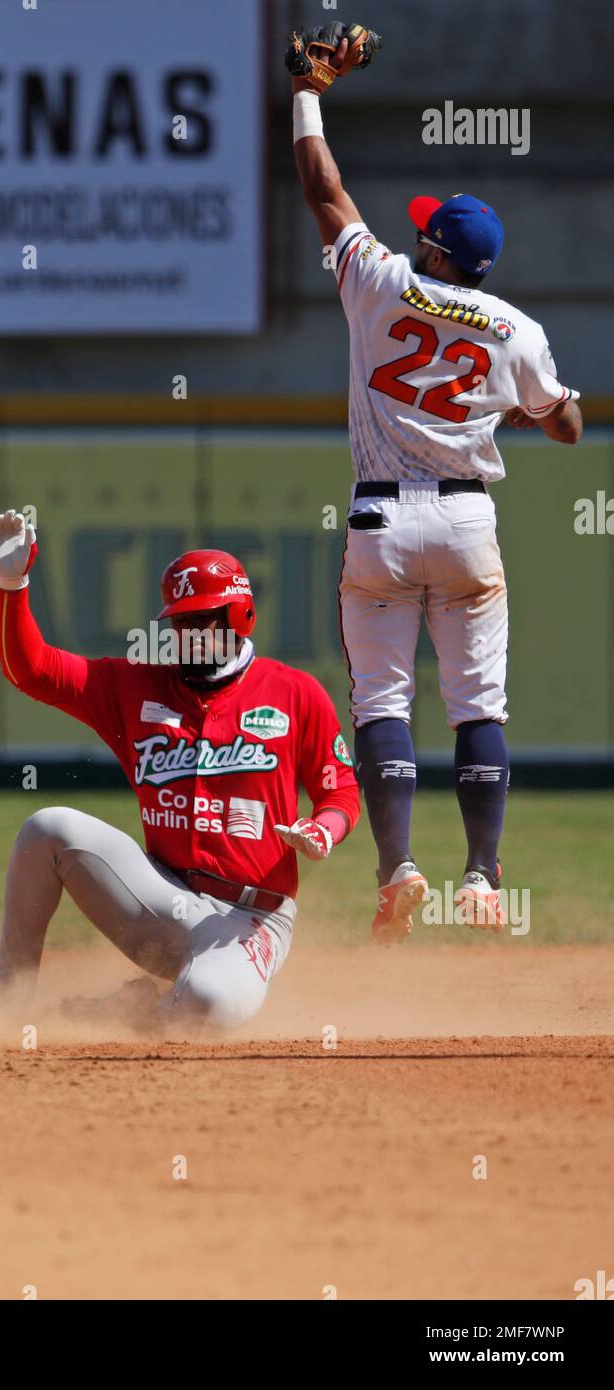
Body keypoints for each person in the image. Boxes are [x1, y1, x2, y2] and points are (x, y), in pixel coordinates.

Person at [290, 34, 582, 944]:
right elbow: (568, 426)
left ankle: (397, 871)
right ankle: (485, 879)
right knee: (476, 707)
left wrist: (308, 91)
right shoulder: (516, 329)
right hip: (465, 522)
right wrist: (544, 411)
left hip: (381, 518)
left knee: (381, 704)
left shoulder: (380, 282)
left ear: (431, 249)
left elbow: (323, 190)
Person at [0, 511, 359, 1031]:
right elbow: (32, 670)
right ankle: (6, 989)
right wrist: (12, 583)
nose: (189, 632)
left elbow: (341, 790)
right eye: (180, 621)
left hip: (250, 920)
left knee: (209, 1004)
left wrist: (322, 828)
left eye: (203, 620)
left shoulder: (293, 692)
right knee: (48, 828)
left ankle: (132, 1012)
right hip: (160, 897)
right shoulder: (134, 687)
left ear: (240, 617)